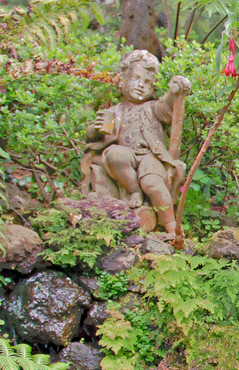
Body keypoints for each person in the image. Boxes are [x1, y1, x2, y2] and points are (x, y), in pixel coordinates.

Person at [82, 50, 191, 238]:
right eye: (136, 79)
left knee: (153, 183)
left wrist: (175, 92)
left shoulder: (152, 107)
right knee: (115, 154)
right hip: (126, 156)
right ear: (122, 80)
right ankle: (134, 192)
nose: (141, 86)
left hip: (150, 156)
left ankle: (171, 225)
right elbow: (92, 134)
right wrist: (95, 130)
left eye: (148, 83)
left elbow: (168, 106)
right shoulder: (114, 111)